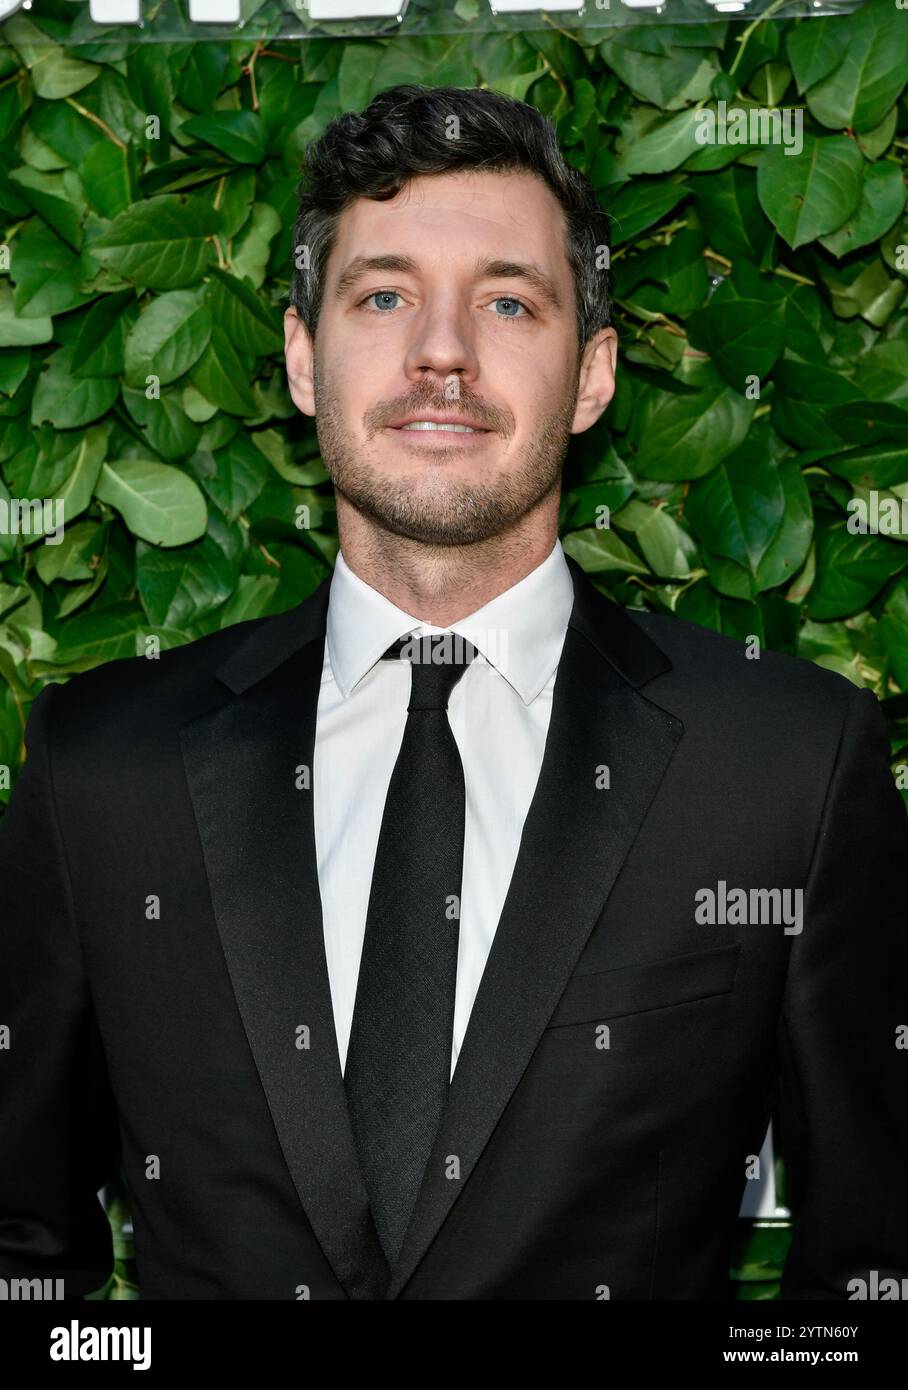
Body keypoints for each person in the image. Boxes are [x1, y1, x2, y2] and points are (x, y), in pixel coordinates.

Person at [0, 84, 906, 1302]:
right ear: (302, 359)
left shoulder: (784, 763)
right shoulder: (102, 767)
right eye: (382, 296)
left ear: (589, 376)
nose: (441, 351)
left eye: (506, 301)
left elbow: (870, 1270)